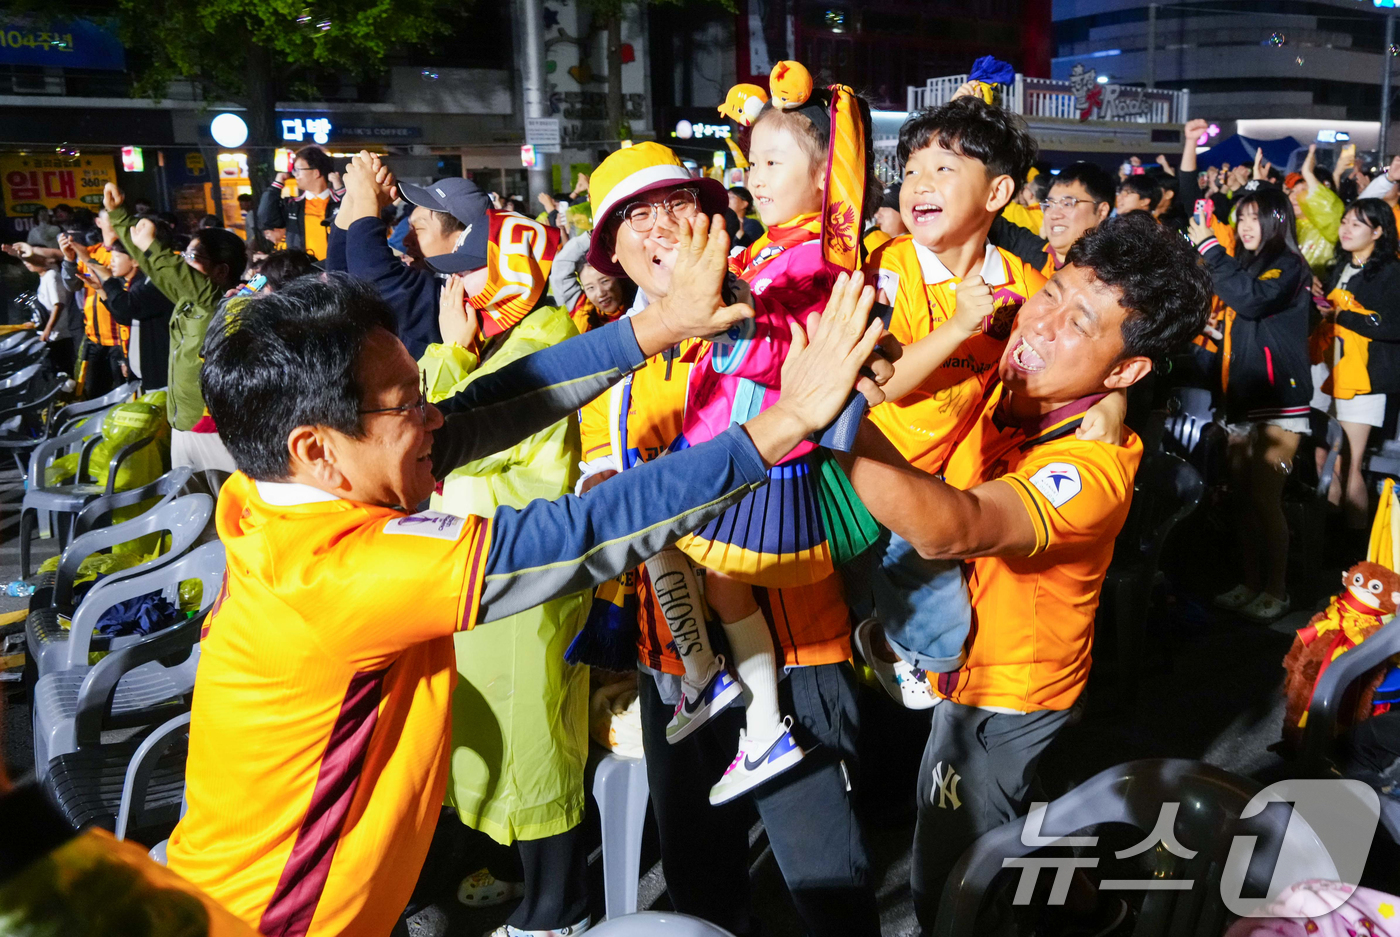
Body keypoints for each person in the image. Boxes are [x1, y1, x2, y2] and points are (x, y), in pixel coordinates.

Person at [166, 229, 885, 937]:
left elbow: (492, 405)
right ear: (316, 448)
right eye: (409, 403)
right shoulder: (347, 574)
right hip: (275, 919)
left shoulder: (273, 496)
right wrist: (789, 417)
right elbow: (588, 531)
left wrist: (665, 323)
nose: (435, 415)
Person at [841, 212, 1212, 933]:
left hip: (1002, 695)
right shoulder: (1012, 368)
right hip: (985, 661)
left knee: (948, 885)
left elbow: (958, 527)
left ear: (1128, 367)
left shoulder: (1090, 471)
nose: (1039, 324)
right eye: (1052, 292)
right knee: (1018, 823)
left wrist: (830, 424)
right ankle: (1094, 909)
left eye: (1078, 319)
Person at [577, 138, 886, 937]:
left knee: (819, 852)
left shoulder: (781, 300)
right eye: (634, 217)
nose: (662, 227)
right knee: (697, 854)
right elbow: (587, 477)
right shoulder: (611, 354)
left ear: (712, 217)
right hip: (675, 645)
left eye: (677, 204)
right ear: (611, 252)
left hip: (793, 627)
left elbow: (830, 399)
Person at [345, 150, 593, 937]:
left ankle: (561, 904)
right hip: (482, 574)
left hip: (522, 574)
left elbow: (450, 440)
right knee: (502, 738)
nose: (448, 282)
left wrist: (450, 352)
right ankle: (532, 884)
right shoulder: (506, 334)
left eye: (460, 267)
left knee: (537, 744)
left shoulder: (540, 340)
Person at [638, 61, 884, 805]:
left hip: (760, 448)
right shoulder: (766, 246)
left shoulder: (818, 256)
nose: (758, 174)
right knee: (668, 545)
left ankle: (747, 708)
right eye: (753, 160)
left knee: (680, 548)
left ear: (825, 174)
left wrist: (727, 310)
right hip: (727, 435)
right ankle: (723, 689)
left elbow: (784, 350)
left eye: (774, 161)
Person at [1190, 184, 1313, 622]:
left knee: (1265, 498)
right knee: (1243, 499)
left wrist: (1209, 247)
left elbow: (1253, 300)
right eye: (1240, 217)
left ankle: (1277, 590)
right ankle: (1249, 581)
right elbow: (1253, 318)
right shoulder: (1248, 265)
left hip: (1280, 402)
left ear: (1278, 220)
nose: (1244, 226)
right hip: (1244, 399)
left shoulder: (1290, 265)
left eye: (1253, 217)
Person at [106, 182, 247, 486]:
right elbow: (156, 268)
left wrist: (151, 245)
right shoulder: (189, 300)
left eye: (193, 257)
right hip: (183, 423)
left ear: (222, 271)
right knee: (190, 514)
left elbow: (167, 268)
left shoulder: (218, 303)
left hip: (211, 428)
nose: (184, 262)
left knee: (227, 513)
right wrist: (120, 217)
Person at [1312, 199, 1400, 534]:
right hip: (1331, 374)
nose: (1345, 229)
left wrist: (1341, 315)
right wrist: (1319, 299)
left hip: (1366, 380)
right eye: (1344, 221)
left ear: (1378, 231)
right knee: (1325, 461)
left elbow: (1391, 325)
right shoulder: (1340, 266)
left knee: (1349, 465)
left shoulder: (1391, 272)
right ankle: (1330, 536)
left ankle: (1355, 545)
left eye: (1356, 224)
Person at [330, 160, 475, 356]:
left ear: (461, 240)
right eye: (409, 228)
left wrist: (367, 197)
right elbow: (340, 281)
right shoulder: (431, 282)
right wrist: (353, 199)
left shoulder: (462, 295)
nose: (407, 240)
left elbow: (374, 279)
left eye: (419, 229)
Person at [990, 161, 1116, 276]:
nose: (1054, 214)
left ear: (1101, 211)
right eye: (1049, 205)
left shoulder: (1112, 275)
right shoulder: (1030, 254)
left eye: (1067, 203)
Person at [58, 230, 128, 397]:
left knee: (121, 393)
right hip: (94, 338)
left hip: (120, 340)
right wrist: (69, 259)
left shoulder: (126, 252)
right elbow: (72, 285)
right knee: (92, 391)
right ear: (98, 223)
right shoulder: (91, 251)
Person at [103, 240, 176, 392]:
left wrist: (107, 280)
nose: (111, 262)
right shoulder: (133, 283)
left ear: (135, 260)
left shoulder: (153, 283)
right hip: (143, 373)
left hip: (161, 376)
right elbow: (125, 318)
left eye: (116, 257)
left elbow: (126, 309)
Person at [258, 144, 342, 260]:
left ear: (316, 173)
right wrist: (276, 186)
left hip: (334, 273)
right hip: (302, 272)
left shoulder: (339, 202)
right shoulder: (293, 205)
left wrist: (341, 190)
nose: (295, 175)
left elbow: (356, 218)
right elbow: (266, 220)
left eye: (298, 170)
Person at [29, 255, 78, 375]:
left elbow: (58, 305)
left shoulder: (52, 276)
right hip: (50, 335)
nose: (26, 263)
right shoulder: (44, 277)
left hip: (59, 335)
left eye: (30, 259)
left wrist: (47, 329)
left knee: (63, 370)